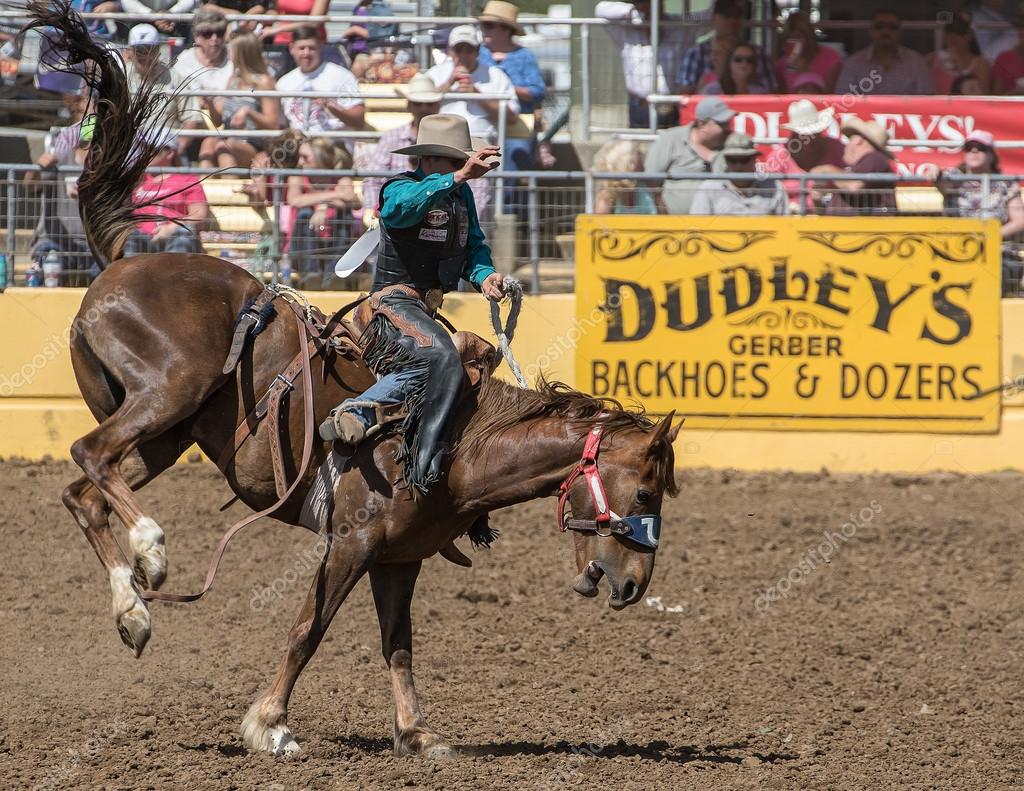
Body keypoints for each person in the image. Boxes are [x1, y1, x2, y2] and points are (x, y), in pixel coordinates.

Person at [318, 114, 508, 495]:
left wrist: (484, 274)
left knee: (476, 362)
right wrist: (455, 178)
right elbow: (398, 211)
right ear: (433, 160)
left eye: (461, 163)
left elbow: (472, 246)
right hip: (391, 305)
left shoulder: (460, 195)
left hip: (424, 309)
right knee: (441, 358)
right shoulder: (398, 189)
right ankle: (367, 416)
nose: (463, 169)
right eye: (457, 162)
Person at [426, 24, 519, 217]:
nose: (463, 54)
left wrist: (477, 94)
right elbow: (419, 107)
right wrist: (447, 84)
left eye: (468, 49)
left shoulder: (495, 76)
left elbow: (511, 117)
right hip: (440, 144)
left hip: (479, 146)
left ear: (477, 51)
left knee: (475, 207)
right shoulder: (435, 74)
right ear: (450, 51)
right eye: (458, 49)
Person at [935, 130, 1024, 293]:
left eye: (980, 148)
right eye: (969, 147)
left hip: (997, 251)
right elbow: (941, 184)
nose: (974, 151)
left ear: (991, 155)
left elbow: (1020, 221)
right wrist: (935, 174)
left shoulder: (1006, 183)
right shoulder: (953, 178)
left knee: (1000, 272)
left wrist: (989, 234)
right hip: (957, 251)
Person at [595, 1, 693, 129]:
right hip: (640, 107)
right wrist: (635, 13)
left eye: (657, 4)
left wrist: (686, 16)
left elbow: (705, 17)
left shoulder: (677, 23)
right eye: (646, 3)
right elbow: (600, 10)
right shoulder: (628, 30)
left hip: (672, 106)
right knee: (639, 144)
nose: (653, 9)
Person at [361, 73, 443, 215]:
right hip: (399, 211)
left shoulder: (446, 138)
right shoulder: (391, 137)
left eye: (429, 104)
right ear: (409, 106)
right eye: (418, 104)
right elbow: (372, 178)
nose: (424, 108)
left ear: (437, 106)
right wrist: (377, 207)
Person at [478, 1, 545, 171]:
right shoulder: (477, 53)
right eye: (483, 25)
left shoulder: (525, 56)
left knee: (517, 152)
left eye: (489, 25)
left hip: (517, 123)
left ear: (506, 29)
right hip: (482, 121)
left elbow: (537, 91)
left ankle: (509, 196)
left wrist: (506, 89)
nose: (484, 29)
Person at [284, 137, 358, 289]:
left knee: (344, 215)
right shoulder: (297, 177)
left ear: (321, 158)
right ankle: (311, 275)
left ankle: (336, 275)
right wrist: (333, 196)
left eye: (305, 157)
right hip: (303, 246)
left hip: (334, 242)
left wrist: (322, 206)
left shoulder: (341, 177)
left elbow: (353, 201)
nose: (300, 162)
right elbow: (295, 200)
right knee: (304, 213)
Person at [643, 96, 735, 215]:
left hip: (718, 224)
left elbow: (736, 184)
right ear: (702, 124)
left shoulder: (732, 144)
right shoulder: (671, 139)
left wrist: (713, 157)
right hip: (673, 223)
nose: (728, 128)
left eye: (728, 123)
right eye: (721, 124)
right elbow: (651, 179)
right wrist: (661, 209)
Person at [204, 33, 281, 170]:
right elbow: (218, 121)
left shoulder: (263, 81)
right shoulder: (233, 79)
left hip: (254, 145)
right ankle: (201, 187)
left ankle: (228, 190)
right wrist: (210, 103)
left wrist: (248, 113)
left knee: (224, 147)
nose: (229, 55)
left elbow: (273, 123)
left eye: (231, 51)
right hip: (230, 138)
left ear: (242, 53)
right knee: (208, 143)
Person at [125, 135, 211, 255]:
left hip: (175, 238)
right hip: (142, 240)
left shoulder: (188, 180)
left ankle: (172, 272)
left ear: (169, 153)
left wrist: (170, 229)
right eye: (144, 149)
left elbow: (199, 216)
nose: (145, 153)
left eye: (151, 149)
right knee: (129, 237)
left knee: (183, 234)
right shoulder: (136, 182)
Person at [277, 26, 365, 136]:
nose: (306, 53)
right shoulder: (284, 83)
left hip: (333, 145)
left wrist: (332, 107)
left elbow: (359, 121)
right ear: (291, 49)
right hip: (298, 145)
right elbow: (281, 125)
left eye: (312, 48)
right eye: (301, 48)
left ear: (321, 47)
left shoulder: (342, 76)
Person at [171, 10, 233, 164]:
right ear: (197, 36)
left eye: (219, 33)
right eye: (208, 34)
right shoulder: (184, 60)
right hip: (191, 123)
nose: (215, 39)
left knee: (210, 146)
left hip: (225, 125)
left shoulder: (233, 59)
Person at [759, 99, 845, 209]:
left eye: (815, 133)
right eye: (805, 135)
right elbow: (766, 194)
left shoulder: (837, 148)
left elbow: (852, 180)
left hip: (834, 217)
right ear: (795, 135)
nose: (811, 139)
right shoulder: (779, 157)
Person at [678, 0, 776, 95]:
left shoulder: (757, 52)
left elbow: (772, 93)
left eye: (736, 16)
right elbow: (685, 96)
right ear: (713, 18)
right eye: (726, 16)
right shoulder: (696, 53)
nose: (732, 21)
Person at [835, 8, 934, 95]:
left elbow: (927, 102)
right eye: (879, 27)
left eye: (892, 27)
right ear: (871, 31)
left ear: (900, 32)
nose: (885, 32)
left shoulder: (916, 62)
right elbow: (843, 100)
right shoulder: (853, 63)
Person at [812, 118, 896, 216]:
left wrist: (827, 170)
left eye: (850, 139)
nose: (846, 145)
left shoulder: (875, 158)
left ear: (858, 141)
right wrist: (818, 200)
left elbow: (853, 185)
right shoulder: (859, 167)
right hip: (845, 227)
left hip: (864, 228)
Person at [690, 136, 787, 217]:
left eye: (744, 160)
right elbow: (697, 229)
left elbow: (786, 227)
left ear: (754, 160)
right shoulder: (708, 189)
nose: (738, 166)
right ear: (726, 161)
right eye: (733, 160)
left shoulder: (775, 188)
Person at [775, 10, 841, 93]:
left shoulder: (830, 57)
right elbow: (781, 97)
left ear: (811, 34)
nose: (797, 41)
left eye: (802, 34)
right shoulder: (782, 65)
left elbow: (831, 95)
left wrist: (805, 70)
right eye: (792, 38)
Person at [929, 12, 991, 95]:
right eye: (949, 32)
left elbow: (983, 98)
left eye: (959, 32)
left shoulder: (981, 64)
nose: (953, 37)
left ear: (969, 36)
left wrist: (960, 62)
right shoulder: (932, 59)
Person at [592, 138, 656, 214]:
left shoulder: (648, 187)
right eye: (638, 154)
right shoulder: (607, 198)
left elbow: (664, 216)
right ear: (629, 162)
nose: (643, 159)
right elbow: (599, 223)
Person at [702, 41, 772, 95]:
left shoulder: (761, 93)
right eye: (738, 59)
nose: (744, 64)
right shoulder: (711, 92)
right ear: (729, 63)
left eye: (750, 60)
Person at [993, 13, 1024, 94]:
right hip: (1011, 105)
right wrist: (1012, 94)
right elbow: (997, 95)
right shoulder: (1003, 58)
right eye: (1021, 27)